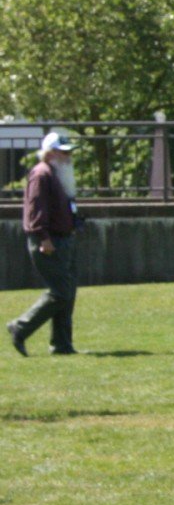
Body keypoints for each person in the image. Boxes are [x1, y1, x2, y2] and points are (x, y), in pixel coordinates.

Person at [10, 130, 82, 357]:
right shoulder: (41, 174)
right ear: (50, 153)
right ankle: (20, 327)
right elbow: (35, 210)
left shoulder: (56, 174)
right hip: (49, 242)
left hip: (63, 239)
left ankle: (61, 344)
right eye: (63, 152)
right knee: (60, 292)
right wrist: (44, 238)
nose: (68, 156)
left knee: (67, 293)